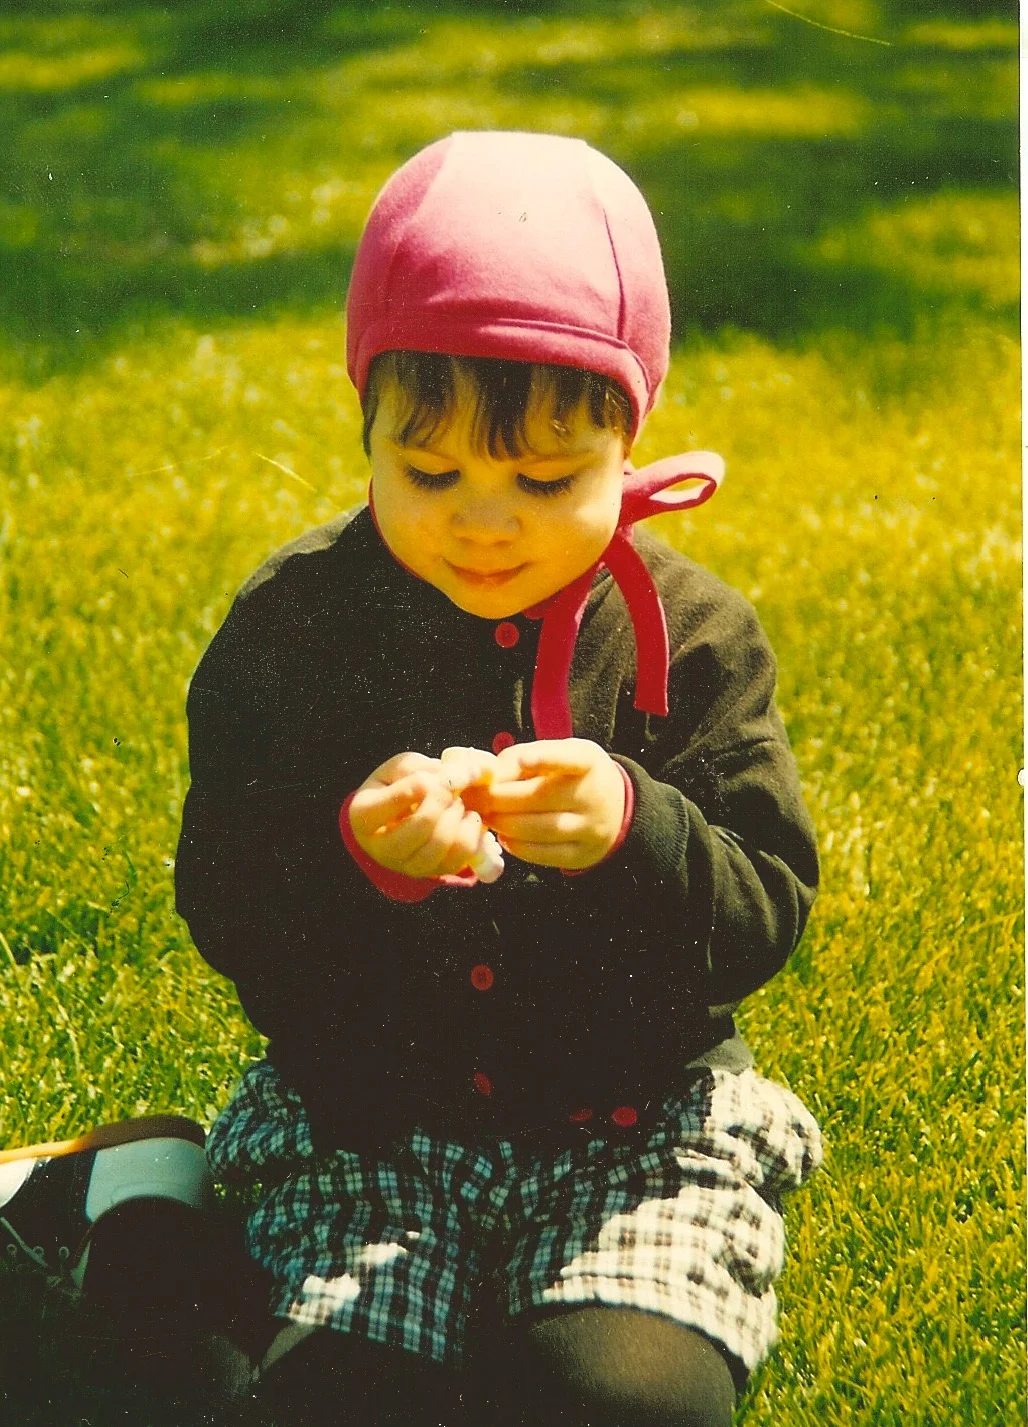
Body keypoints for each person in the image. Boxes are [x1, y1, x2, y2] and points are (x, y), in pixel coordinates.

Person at [174, 130, 823, 1427]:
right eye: (430, 472)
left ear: (629, 441)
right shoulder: (297, 628)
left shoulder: (687, 638)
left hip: (633, 1133)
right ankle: (142, 1218)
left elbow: (767, 906)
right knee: (329, 1395)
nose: (487, 518)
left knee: (616, 1400)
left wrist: (638, 829)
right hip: (371, 1123)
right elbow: (225, 904)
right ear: (365, 419)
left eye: (545, 478)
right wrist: (352, 849)